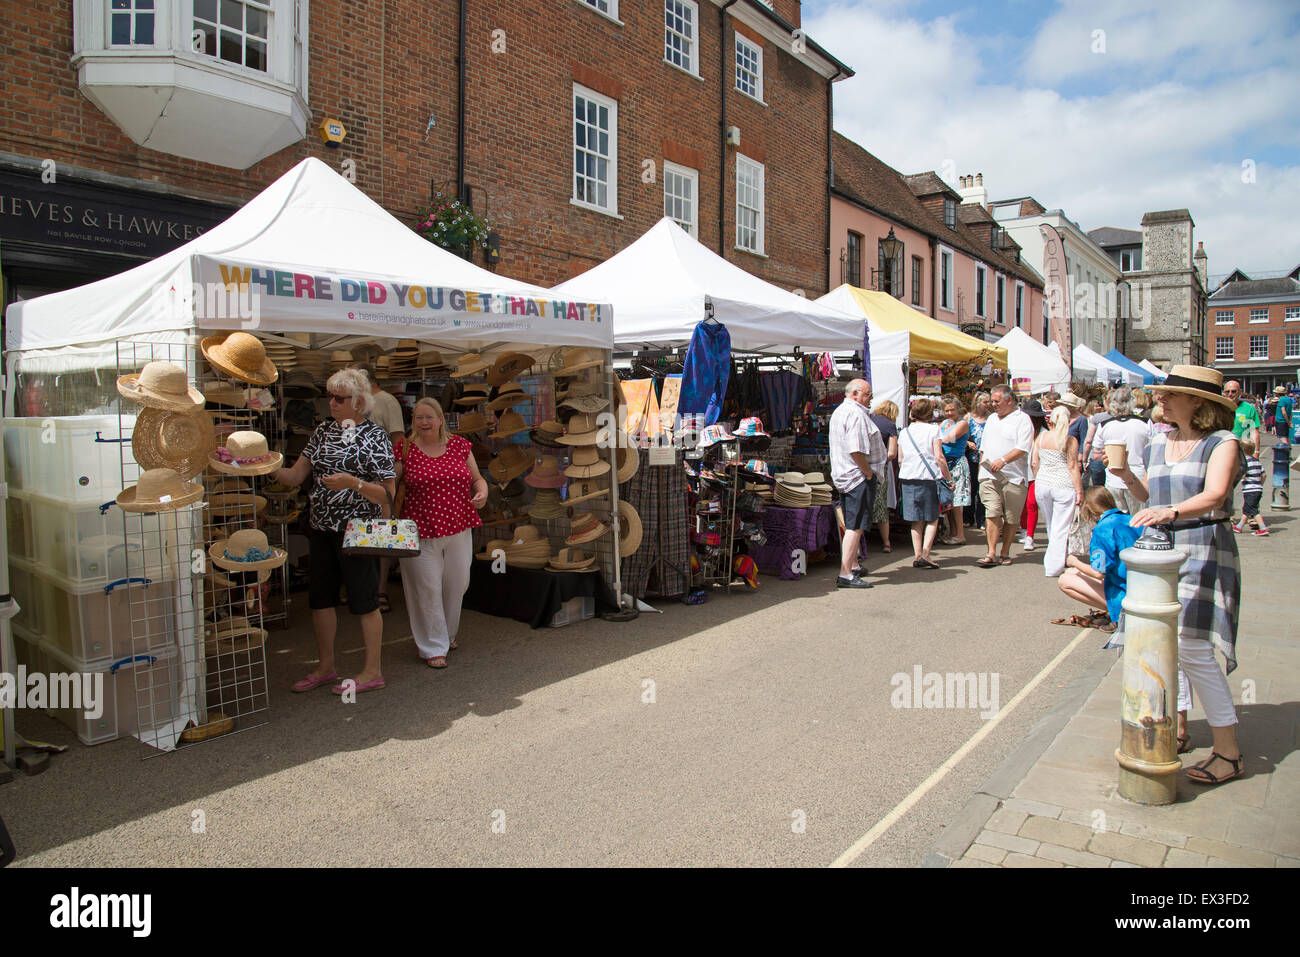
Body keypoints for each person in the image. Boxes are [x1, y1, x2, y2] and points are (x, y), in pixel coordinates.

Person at [1108, 365, 1245, 785]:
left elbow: (1216, 494)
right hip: (1160, 552)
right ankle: (1177, 729)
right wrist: (1126, 475)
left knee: (1194, 648)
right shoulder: (1159, 441)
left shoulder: (1222, 442)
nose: (1159, 400)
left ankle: (1229, 752)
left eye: (1169, 395)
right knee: (1165, 643)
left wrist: (1172, 512)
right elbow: (1151, 495)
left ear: (1197, 402)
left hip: (1203, 546)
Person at [276, 368, 396, 695]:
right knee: (321, 600)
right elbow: (297, 476)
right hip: (323, 529)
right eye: (329, 396)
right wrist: (264, 464)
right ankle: (326, 666)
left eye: (339, 398)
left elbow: (388, 493)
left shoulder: (375, 436)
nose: (331, 403)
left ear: (358, 402)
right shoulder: (322, 432)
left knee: (365, 601)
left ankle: (372, 671)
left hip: (358, 532)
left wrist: (353, 484)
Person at [396, 397, 489, 668]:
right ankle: (433, 646)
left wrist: (481, 492)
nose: (424, 422)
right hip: (419, 529)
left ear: (440, 420)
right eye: (418, 418)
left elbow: (477, 478)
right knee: (427, 588)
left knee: (458, 583)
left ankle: (447, 634)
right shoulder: (405, 449)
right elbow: (391, 484)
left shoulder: (459, 445)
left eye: (429, 417)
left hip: (458, 525)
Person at [356, 365, 407, 613]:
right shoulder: (357, 402)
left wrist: (394, 472)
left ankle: (381, 588)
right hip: (357, 477)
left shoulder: (386, 401)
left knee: (383, 529)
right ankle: (362, 586)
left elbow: (398, 439)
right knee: (360, 529)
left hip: (382, 474)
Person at [1055, 487, 1140, 630]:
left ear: (1090, 509)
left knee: (1065, 580)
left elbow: (1098, 572)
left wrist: (1074, 562)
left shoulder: (1102, 530)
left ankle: (1119, 613)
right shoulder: (1131, 519)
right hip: (1141, 584)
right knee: (1073, 573)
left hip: (1125, 590)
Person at [829, 378, 885, 588]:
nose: (871, 399)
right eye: (868, 394)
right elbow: (856, 449)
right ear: (855, 394)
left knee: (852, 522)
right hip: (856, 476)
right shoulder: (855, 414)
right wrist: (868, 471)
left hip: (846, 475)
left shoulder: (841, 411)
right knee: (855, 525)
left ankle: (852, 565)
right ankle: (846, 574)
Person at [976, 385, 1034, 567]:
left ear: (1009, 401)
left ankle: (1005, 551)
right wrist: (981, 467)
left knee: (1011, 518)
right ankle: (991, 552)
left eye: (996, 401)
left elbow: (1023, 448)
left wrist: (1003, 460)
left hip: (1013, 477)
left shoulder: (1023, 419)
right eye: (992, 401)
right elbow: (983, 447)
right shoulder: (992, 419)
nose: (993, 405)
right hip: (988, 475)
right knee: (991, 512)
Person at [898, 398, 951, 569]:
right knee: (932, 518)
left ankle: (917, 554)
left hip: (908, 477)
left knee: (915, 519)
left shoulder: (904, 432)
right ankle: (926, 553)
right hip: (928, 478)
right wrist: (948, 478)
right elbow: (939, 457)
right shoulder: (933, 430)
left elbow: (900, 459)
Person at [1032, 406, 1083, 577]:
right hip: (1063, 485)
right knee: (1061, 527)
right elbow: (1073, 466)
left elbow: (1034, 463)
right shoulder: (1069, 440)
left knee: (1051, 525)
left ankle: (1053, 561)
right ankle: (1054, 565)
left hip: (1043, 484)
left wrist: (1039, 478)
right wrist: (1080, 490)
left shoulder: (1041, 437)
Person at [1091, 386, 1150, 514]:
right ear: (1132, 403)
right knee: (1138, 520)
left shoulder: (1105, 425)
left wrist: (1109, 458)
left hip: (1113, 479)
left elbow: (1096, 455)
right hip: (1138, 478)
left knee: (1118, 520)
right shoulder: (1145, 424)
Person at [938, 395, 971, 546]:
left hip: (957, 463)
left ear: (958, 408)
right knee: (948, 502)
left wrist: (937, 438)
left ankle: (960, 535)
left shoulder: (963, 423)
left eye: (952, 410)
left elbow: (948, 438)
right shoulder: (945, 422)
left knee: (957, 501)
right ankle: (952, 532)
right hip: (945, 464)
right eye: (946, 410)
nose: (949, 413)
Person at [869, 399, 900, 554]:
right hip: (880, 468)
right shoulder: (890, 426)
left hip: (862, 466)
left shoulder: (868, 420)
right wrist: (880, 460)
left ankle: (860, 542)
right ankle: (886, 542)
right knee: (881, 505)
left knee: (863, 504)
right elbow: (892, 453)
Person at [1018, 398, 1047, 551]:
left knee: (1031, 504)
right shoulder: (1023, 429)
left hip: (1038, 474)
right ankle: (1024, 530)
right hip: (1022, 472)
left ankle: (1030, 536)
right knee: (1022, 505)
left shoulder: (1044, 433)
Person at [964, 392, 991, 529]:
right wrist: (968, 443)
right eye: (985, 402)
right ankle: (968, 518)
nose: (988, 404)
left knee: (983, 489)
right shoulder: (968, 418)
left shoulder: (991, 418)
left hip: (986, 459)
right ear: (978, 403)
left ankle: (982, 519)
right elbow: (962, 436)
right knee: (971, 488)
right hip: (972, 458)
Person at [1233, 435, 1268, 536]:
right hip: (1258, 488)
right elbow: (1264, 474)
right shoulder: (1257, 461)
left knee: (1253, 510)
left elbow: (1243, 475)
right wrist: (1260, 483)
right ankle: (1239, 526)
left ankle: (1263, 528)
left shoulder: (1245, 463)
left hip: (1250, 489)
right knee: (1247, 509)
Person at [1084, 397, 1111, 488]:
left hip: (1098, 457)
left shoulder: (1098, 418)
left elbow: (1089, 440)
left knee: (1098, 490)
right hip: (1115, 456)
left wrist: (1085, 459)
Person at [1225, 380, 1259, 446]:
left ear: (1240, 392)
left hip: (1243, 449)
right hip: (1223, 448)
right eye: (1227, 391)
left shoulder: (1249, 408)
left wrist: (1256, 452)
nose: (1230, 394)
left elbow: (1254, 431)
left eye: (1233, 391)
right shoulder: (1219, 408)